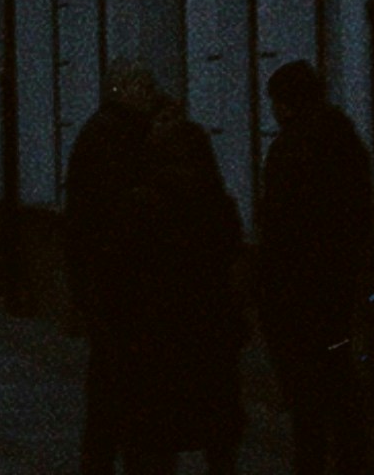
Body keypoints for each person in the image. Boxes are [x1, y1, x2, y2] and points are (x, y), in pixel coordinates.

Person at [258, 60, 373, 475]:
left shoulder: (290, 149)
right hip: (337, 283)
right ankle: (351, 454)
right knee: (338, 370)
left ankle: (312, 459)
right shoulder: (343, 139)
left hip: (299, 289)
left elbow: (278, 224)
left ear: (285, 104)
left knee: (307, 384)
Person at [131, 101, 247, 475]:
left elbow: (125, 268)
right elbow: (230, 257)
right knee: (217, 432)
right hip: (211, 328)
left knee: (158, 434)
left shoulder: (145, 203)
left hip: (159, 331)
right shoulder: (219, 203)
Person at [64, 61, 165, 475]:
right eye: (143, 85)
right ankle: (116, 459)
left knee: (110, 379)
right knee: (121, 379)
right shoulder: (115, 136)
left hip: (107, 280)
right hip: (116, 282)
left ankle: (102, 459)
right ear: (121, 89)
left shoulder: (107, 131)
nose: (151, 92)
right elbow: (111, 214)